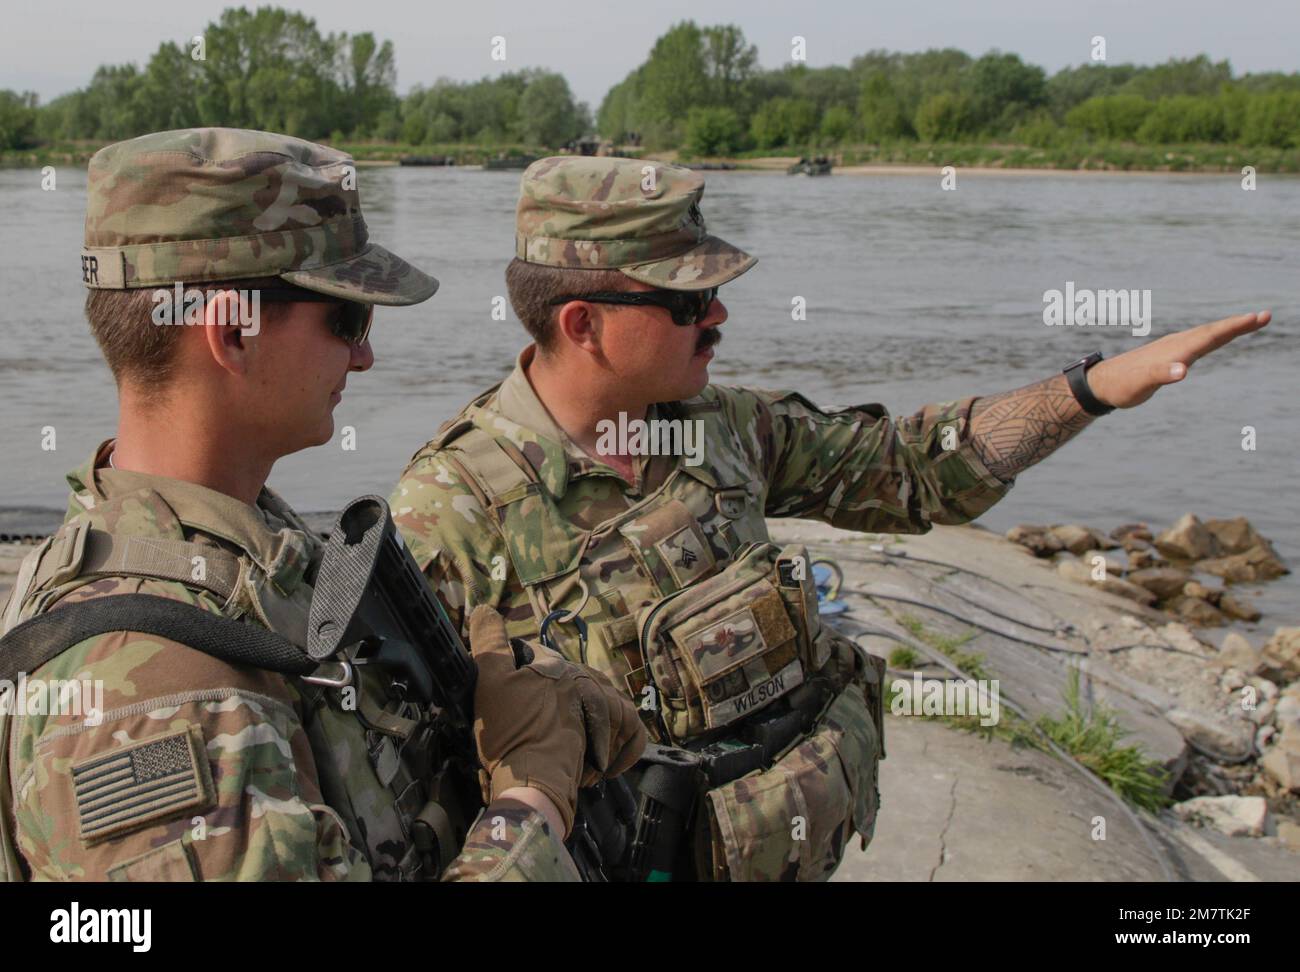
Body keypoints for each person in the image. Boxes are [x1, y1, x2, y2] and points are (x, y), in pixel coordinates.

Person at [389, 155, 1271, 881]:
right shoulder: (449, 512)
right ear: (584, 323)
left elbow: (914, 473)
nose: (719, 316)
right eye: (689, 302)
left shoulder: (726, 428)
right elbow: (430, 785)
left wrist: (1094, 389)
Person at [0, 130, 644, 883]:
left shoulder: (238, 553)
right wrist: (532, 802)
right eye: (347, 320)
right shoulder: (156, 697)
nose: (364, 356)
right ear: (233, 332)